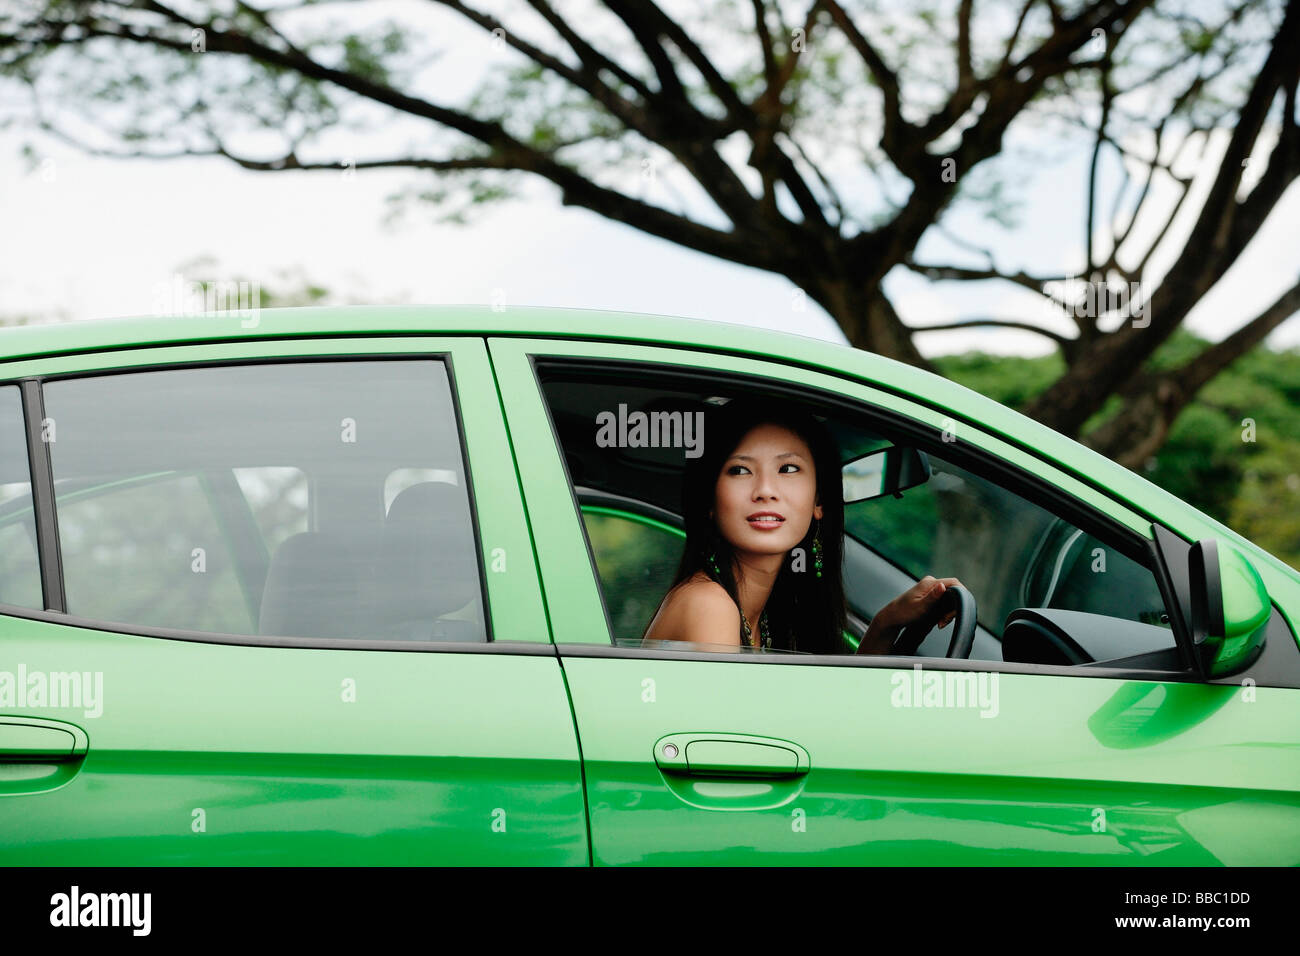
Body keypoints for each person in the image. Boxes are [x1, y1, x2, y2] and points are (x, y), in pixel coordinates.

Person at [639, 397, 965, 654]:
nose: (766, 490)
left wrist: (885, 624)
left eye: (789, 469)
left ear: (818, 502)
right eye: (739, 471)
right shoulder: (710, 604)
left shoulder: (760, 616)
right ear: (708, 501)